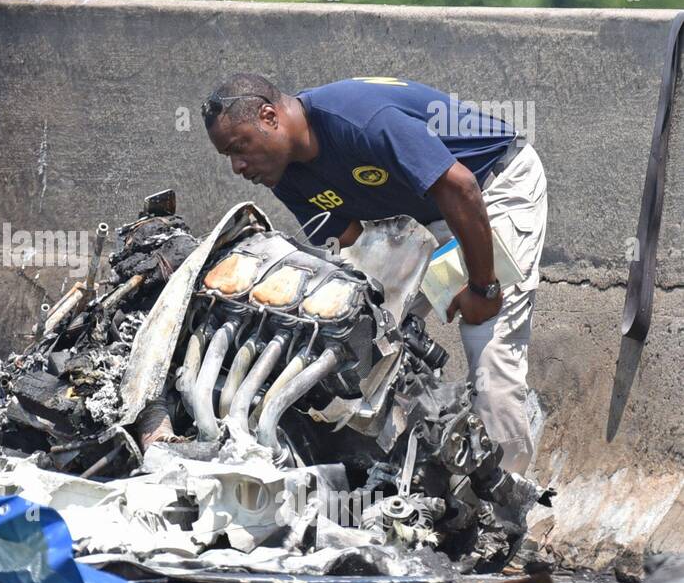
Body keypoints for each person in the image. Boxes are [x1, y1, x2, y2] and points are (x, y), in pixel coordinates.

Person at [202, 73, 547, 473]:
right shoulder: (283, 173)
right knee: (352, 328)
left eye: (239, 147)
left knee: (489, 347)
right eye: (227, 156)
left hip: (490, 190)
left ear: (269, 116)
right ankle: (404, 467)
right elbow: (356, 249)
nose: (236, 167)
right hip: (416, 216)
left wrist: (482, 288)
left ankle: (507, 500)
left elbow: (461, 188)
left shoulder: (359, 120)